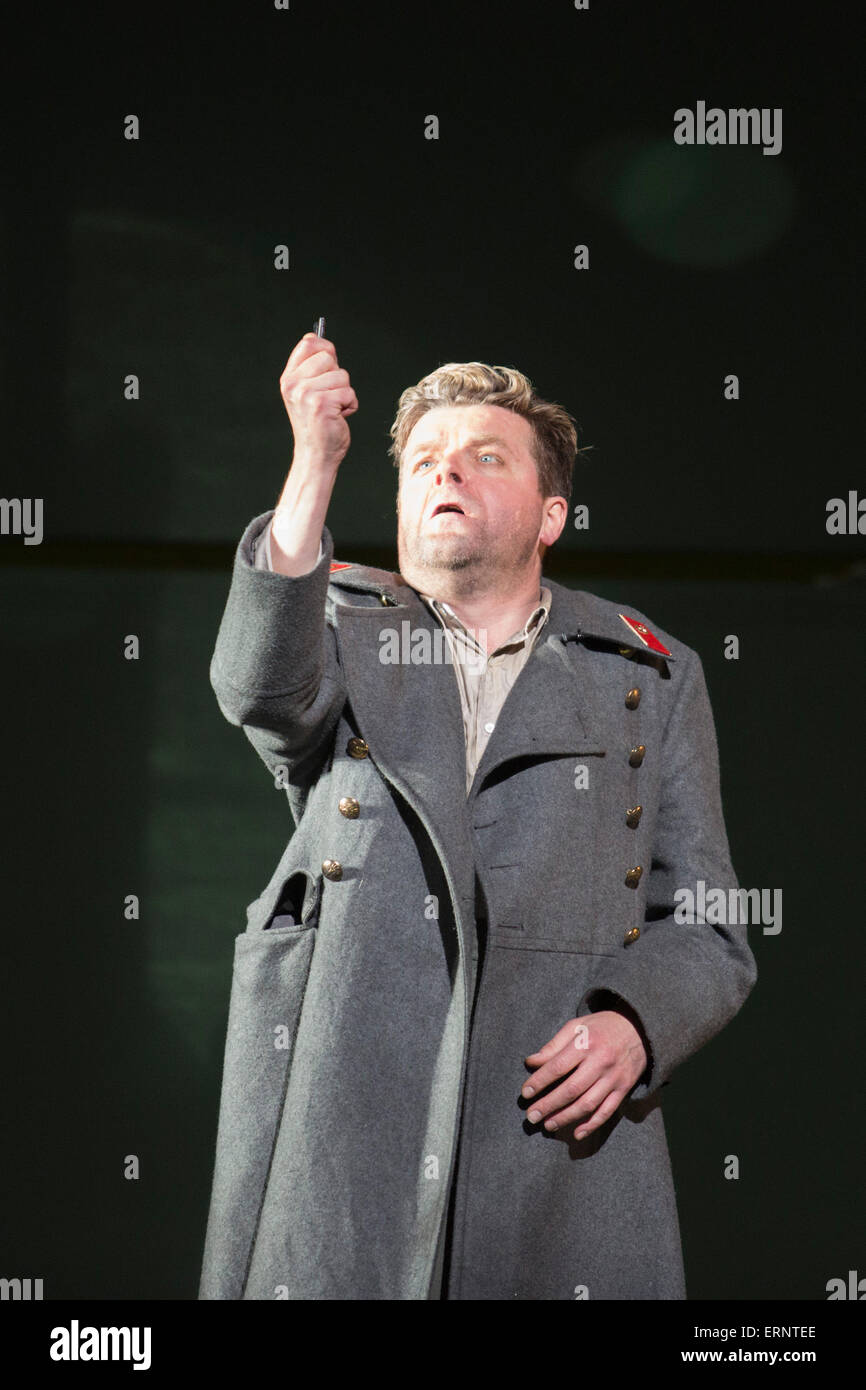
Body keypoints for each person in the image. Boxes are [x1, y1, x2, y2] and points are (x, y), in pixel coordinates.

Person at [198, 329, 757, 1300]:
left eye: (482, 455)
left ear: (551, 512)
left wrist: (634, 1024)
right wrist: (314, 464)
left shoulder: (648, 673)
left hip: (555, 1150)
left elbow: (709, 928)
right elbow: (257, 691)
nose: (445, 469)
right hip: (342, 1134)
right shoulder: (334, 629)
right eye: (422, 460)